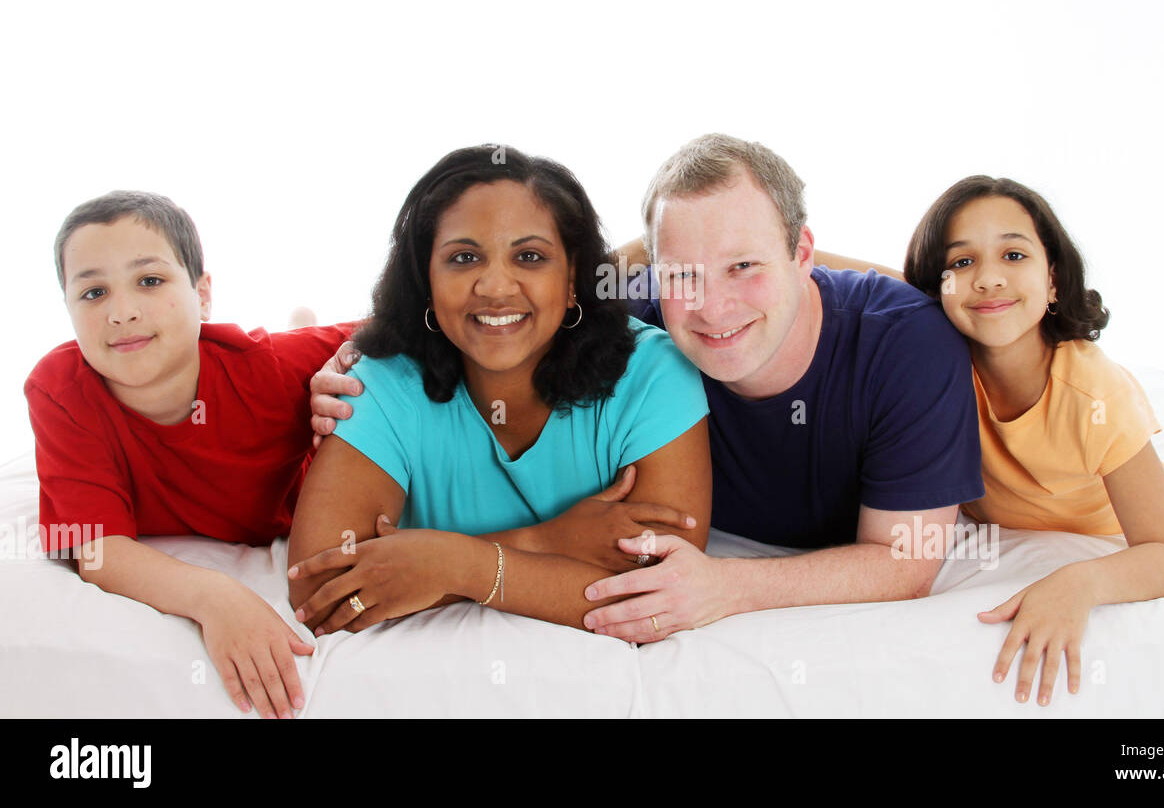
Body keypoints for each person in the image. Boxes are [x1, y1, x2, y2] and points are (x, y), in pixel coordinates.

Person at [311, 133, 983, 641]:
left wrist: (725, 587)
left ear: (803, 253)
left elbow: (907, 561)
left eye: (744, 266)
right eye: (682, 273)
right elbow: (507, 298)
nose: (712, 306)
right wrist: (352, 348)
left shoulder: (908, 344)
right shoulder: (635, 323)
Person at [285, 145, 711, 636]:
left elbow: (657, 590)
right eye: (464, 258)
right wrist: (546, 540)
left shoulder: (654, 372)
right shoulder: (376, 380)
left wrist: (454, 565)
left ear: (572, 277)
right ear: (425, 278)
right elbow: (322, 590)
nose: (495, 286)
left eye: (529, 257)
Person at [26, 191, 356, 720]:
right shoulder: (60, 389)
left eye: (150, 281)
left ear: (203, 296)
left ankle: (302, 318)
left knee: (304, 337)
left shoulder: (264, 368)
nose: (123, 312)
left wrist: (343, 365)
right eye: (93, 292)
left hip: (291, 494)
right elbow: (98, 550)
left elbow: (389, 328)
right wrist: (213, 597)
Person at [902, 175, 1164, 706]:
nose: (989, 279)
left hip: (1095, 517)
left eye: (1014, 255)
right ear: (934, 289)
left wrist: (1077, 584)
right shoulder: (938, 362)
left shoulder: (1094, 395)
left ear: (1054, 282)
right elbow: (864, 280)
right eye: (962, 262)